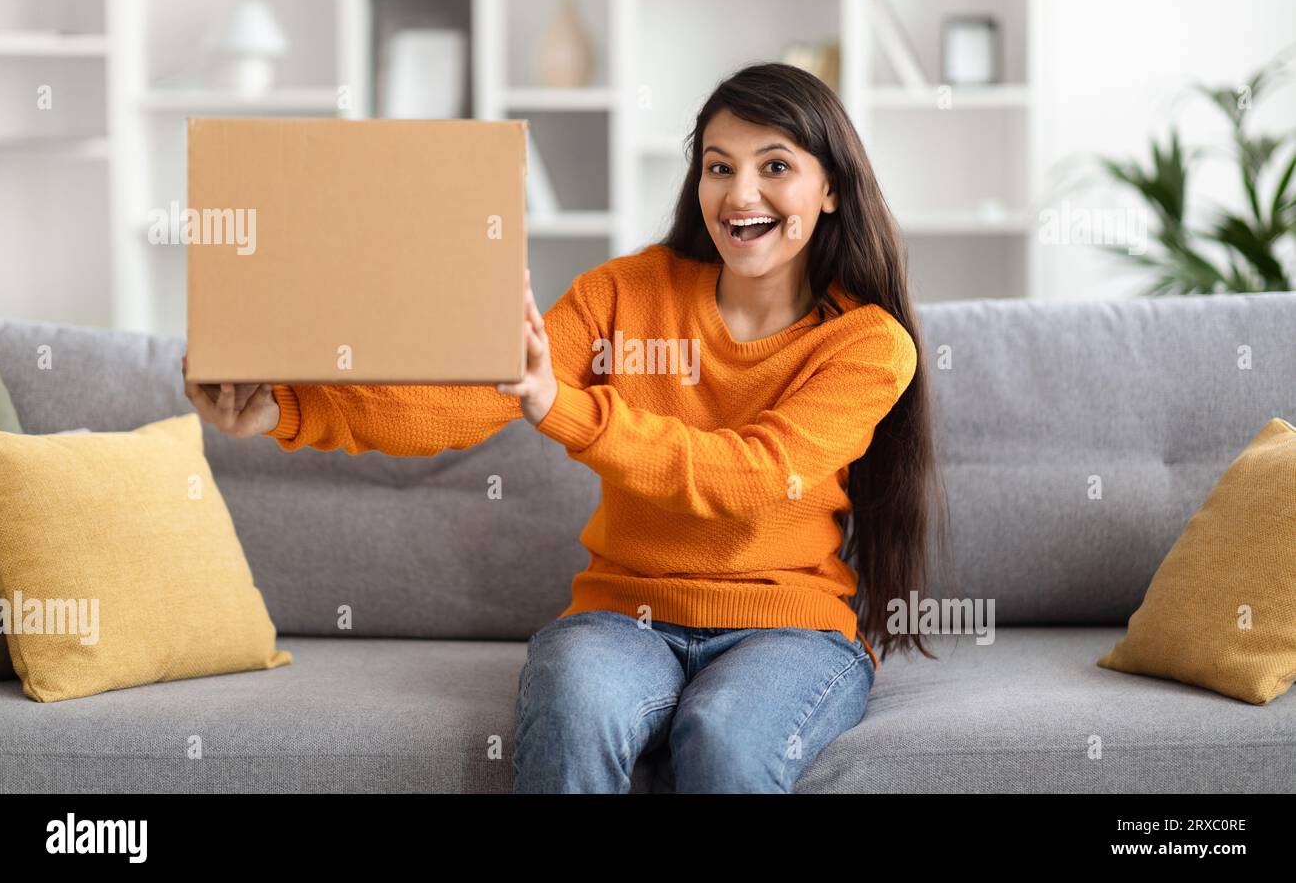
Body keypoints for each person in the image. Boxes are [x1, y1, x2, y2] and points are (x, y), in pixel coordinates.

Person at [184, 61, 953, 793]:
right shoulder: (622, 293)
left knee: (724, 736)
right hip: (625, 619)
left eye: (775, 166)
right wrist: (286, 406)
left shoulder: (868, 343)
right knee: (575, 706)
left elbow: (754, 474)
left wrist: (564, 407)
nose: (740, 192)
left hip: (789, 631)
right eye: (719, 166)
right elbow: (477, 397)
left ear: (830, 191)